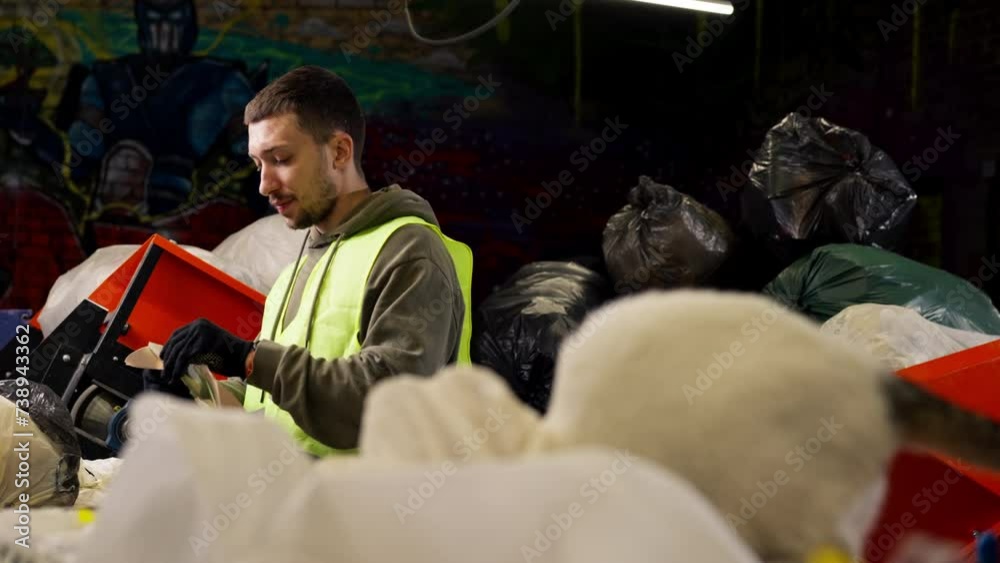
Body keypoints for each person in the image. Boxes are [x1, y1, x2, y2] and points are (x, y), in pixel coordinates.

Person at [155, 65, 474, 456]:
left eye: (281, 159)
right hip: (303, 501)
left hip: (378, 508)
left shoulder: (409, 251)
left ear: (339, 151)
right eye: (259, 165)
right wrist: (197, 399)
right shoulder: (300, 268)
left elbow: (388, 403)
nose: (264, 185)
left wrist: (249, 358)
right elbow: (278, 409)